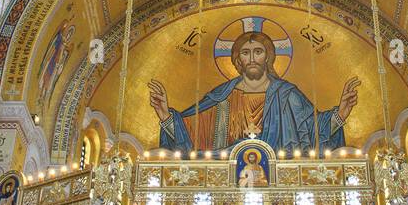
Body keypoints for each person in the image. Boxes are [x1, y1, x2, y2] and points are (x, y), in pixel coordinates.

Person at [150, 29, 359, 154]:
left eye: (258, 52)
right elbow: (190, 131)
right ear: (237, 59)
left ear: (267, 57)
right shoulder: (222, 96)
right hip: (226, 172)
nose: (251, 58)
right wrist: (166, 116)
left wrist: (340, 114)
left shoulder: (286, 94)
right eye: (245, 52)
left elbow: (312, 128)